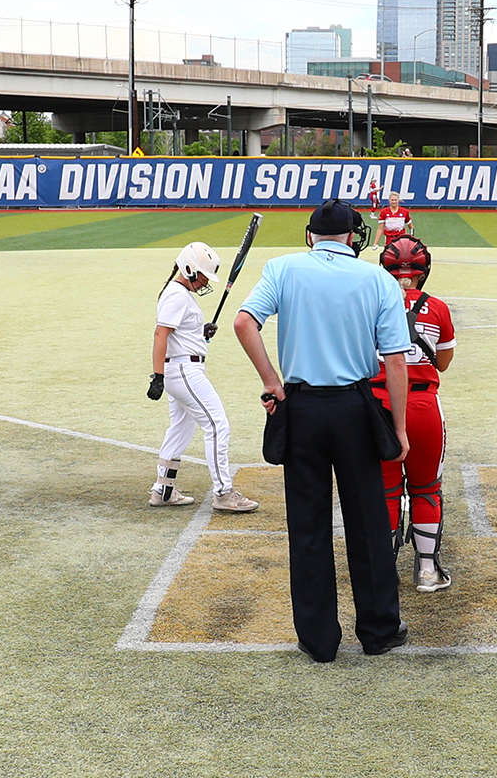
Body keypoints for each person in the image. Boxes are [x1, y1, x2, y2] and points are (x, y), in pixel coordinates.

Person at [235, 200, 414, 662]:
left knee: (308, 527)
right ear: (355, 237)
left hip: (303, 409)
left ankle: (318, 641)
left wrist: (272, 383)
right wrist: (398, 429)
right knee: (368, 524)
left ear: (311, 234)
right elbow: (395, 359)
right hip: (355, 409)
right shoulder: (377, 278)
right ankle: (378, 631)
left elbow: (243, 323)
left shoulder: (283, 268)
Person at [146, 242, 259, 513]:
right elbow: (161, 334)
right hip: (184, 371)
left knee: (181, 429)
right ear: (189, 269)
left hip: (183, 368)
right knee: (218, 425)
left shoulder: (180, 294)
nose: (207, 281)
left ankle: (163, 489)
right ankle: (223, 492)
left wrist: (200, 334)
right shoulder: (177, 294)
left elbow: (177, 333)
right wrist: (157, 376)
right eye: (204, 275)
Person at [372, 237, 455, 593]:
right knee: (426, 489)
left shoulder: (369, 305)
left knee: (386, 492)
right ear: (425, 269)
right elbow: (444, 362)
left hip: (378, 406)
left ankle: (381, 571)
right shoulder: (437, 307)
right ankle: (426, 571)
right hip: (423, 406)